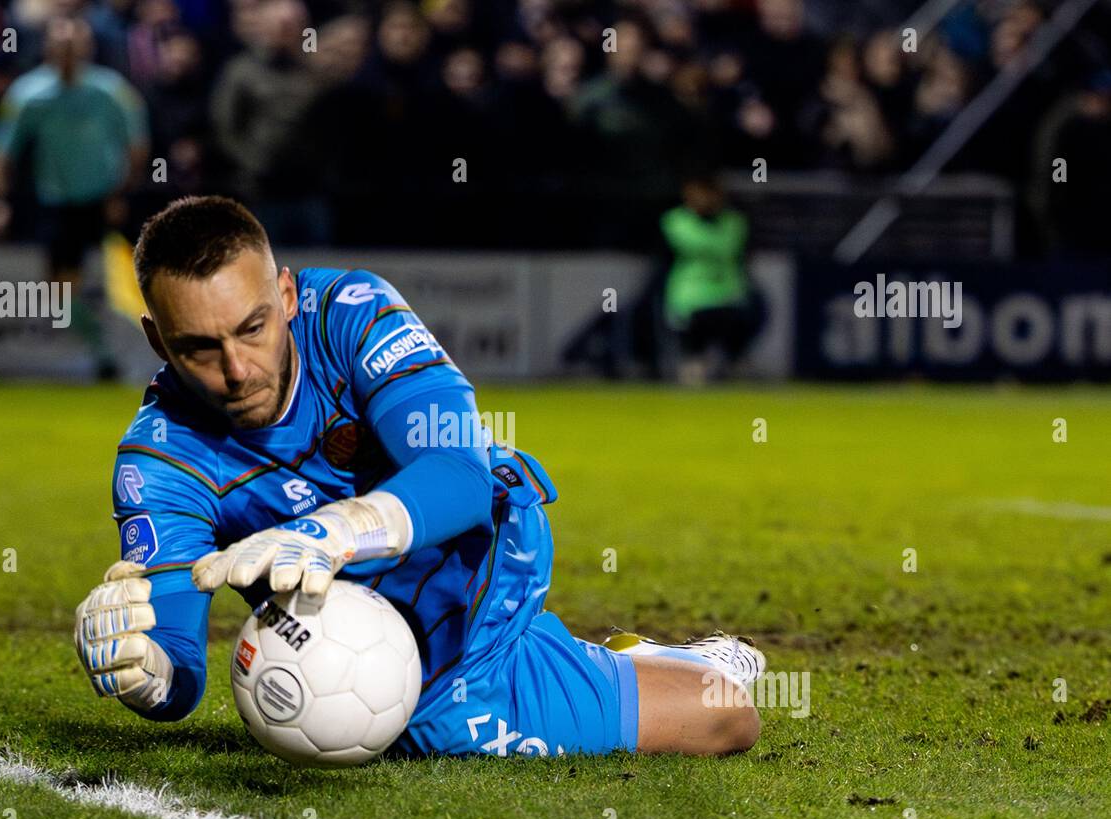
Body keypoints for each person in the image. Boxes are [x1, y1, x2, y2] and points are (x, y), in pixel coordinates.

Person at [72, 196, 764, 758]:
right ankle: (603, 659)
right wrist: (145, 673)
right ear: (158, 341)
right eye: (199, 347)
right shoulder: (160, 461)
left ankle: (647, 657)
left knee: (724, 714)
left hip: (475, 601)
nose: (237, 368)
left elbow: (460, 475)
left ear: (285, 295)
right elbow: (180, 664)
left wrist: (337, 531)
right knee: (415, 737)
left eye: (252, 328)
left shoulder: (353, 315)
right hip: (330, 654)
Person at [0, 15, 150, 379]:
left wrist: (124, 190)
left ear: (89, 48)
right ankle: (102, 352)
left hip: (106, 200)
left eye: (75, 45)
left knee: (126, 279)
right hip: (57, 202)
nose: (69, 52)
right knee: (62, 288)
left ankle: (148, 353)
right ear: (48, 48)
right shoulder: (29, 93)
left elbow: (137, 143)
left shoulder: (111, 90)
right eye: (62, 45)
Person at [660, 174, 759, 385]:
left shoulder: (734, 222)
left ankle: (737, 377)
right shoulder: (676, 221)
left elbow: (737, 250)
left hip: (729, 295)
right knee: (694, 356)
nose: (704, 198)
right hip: (691, 297)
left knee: (737, 356)